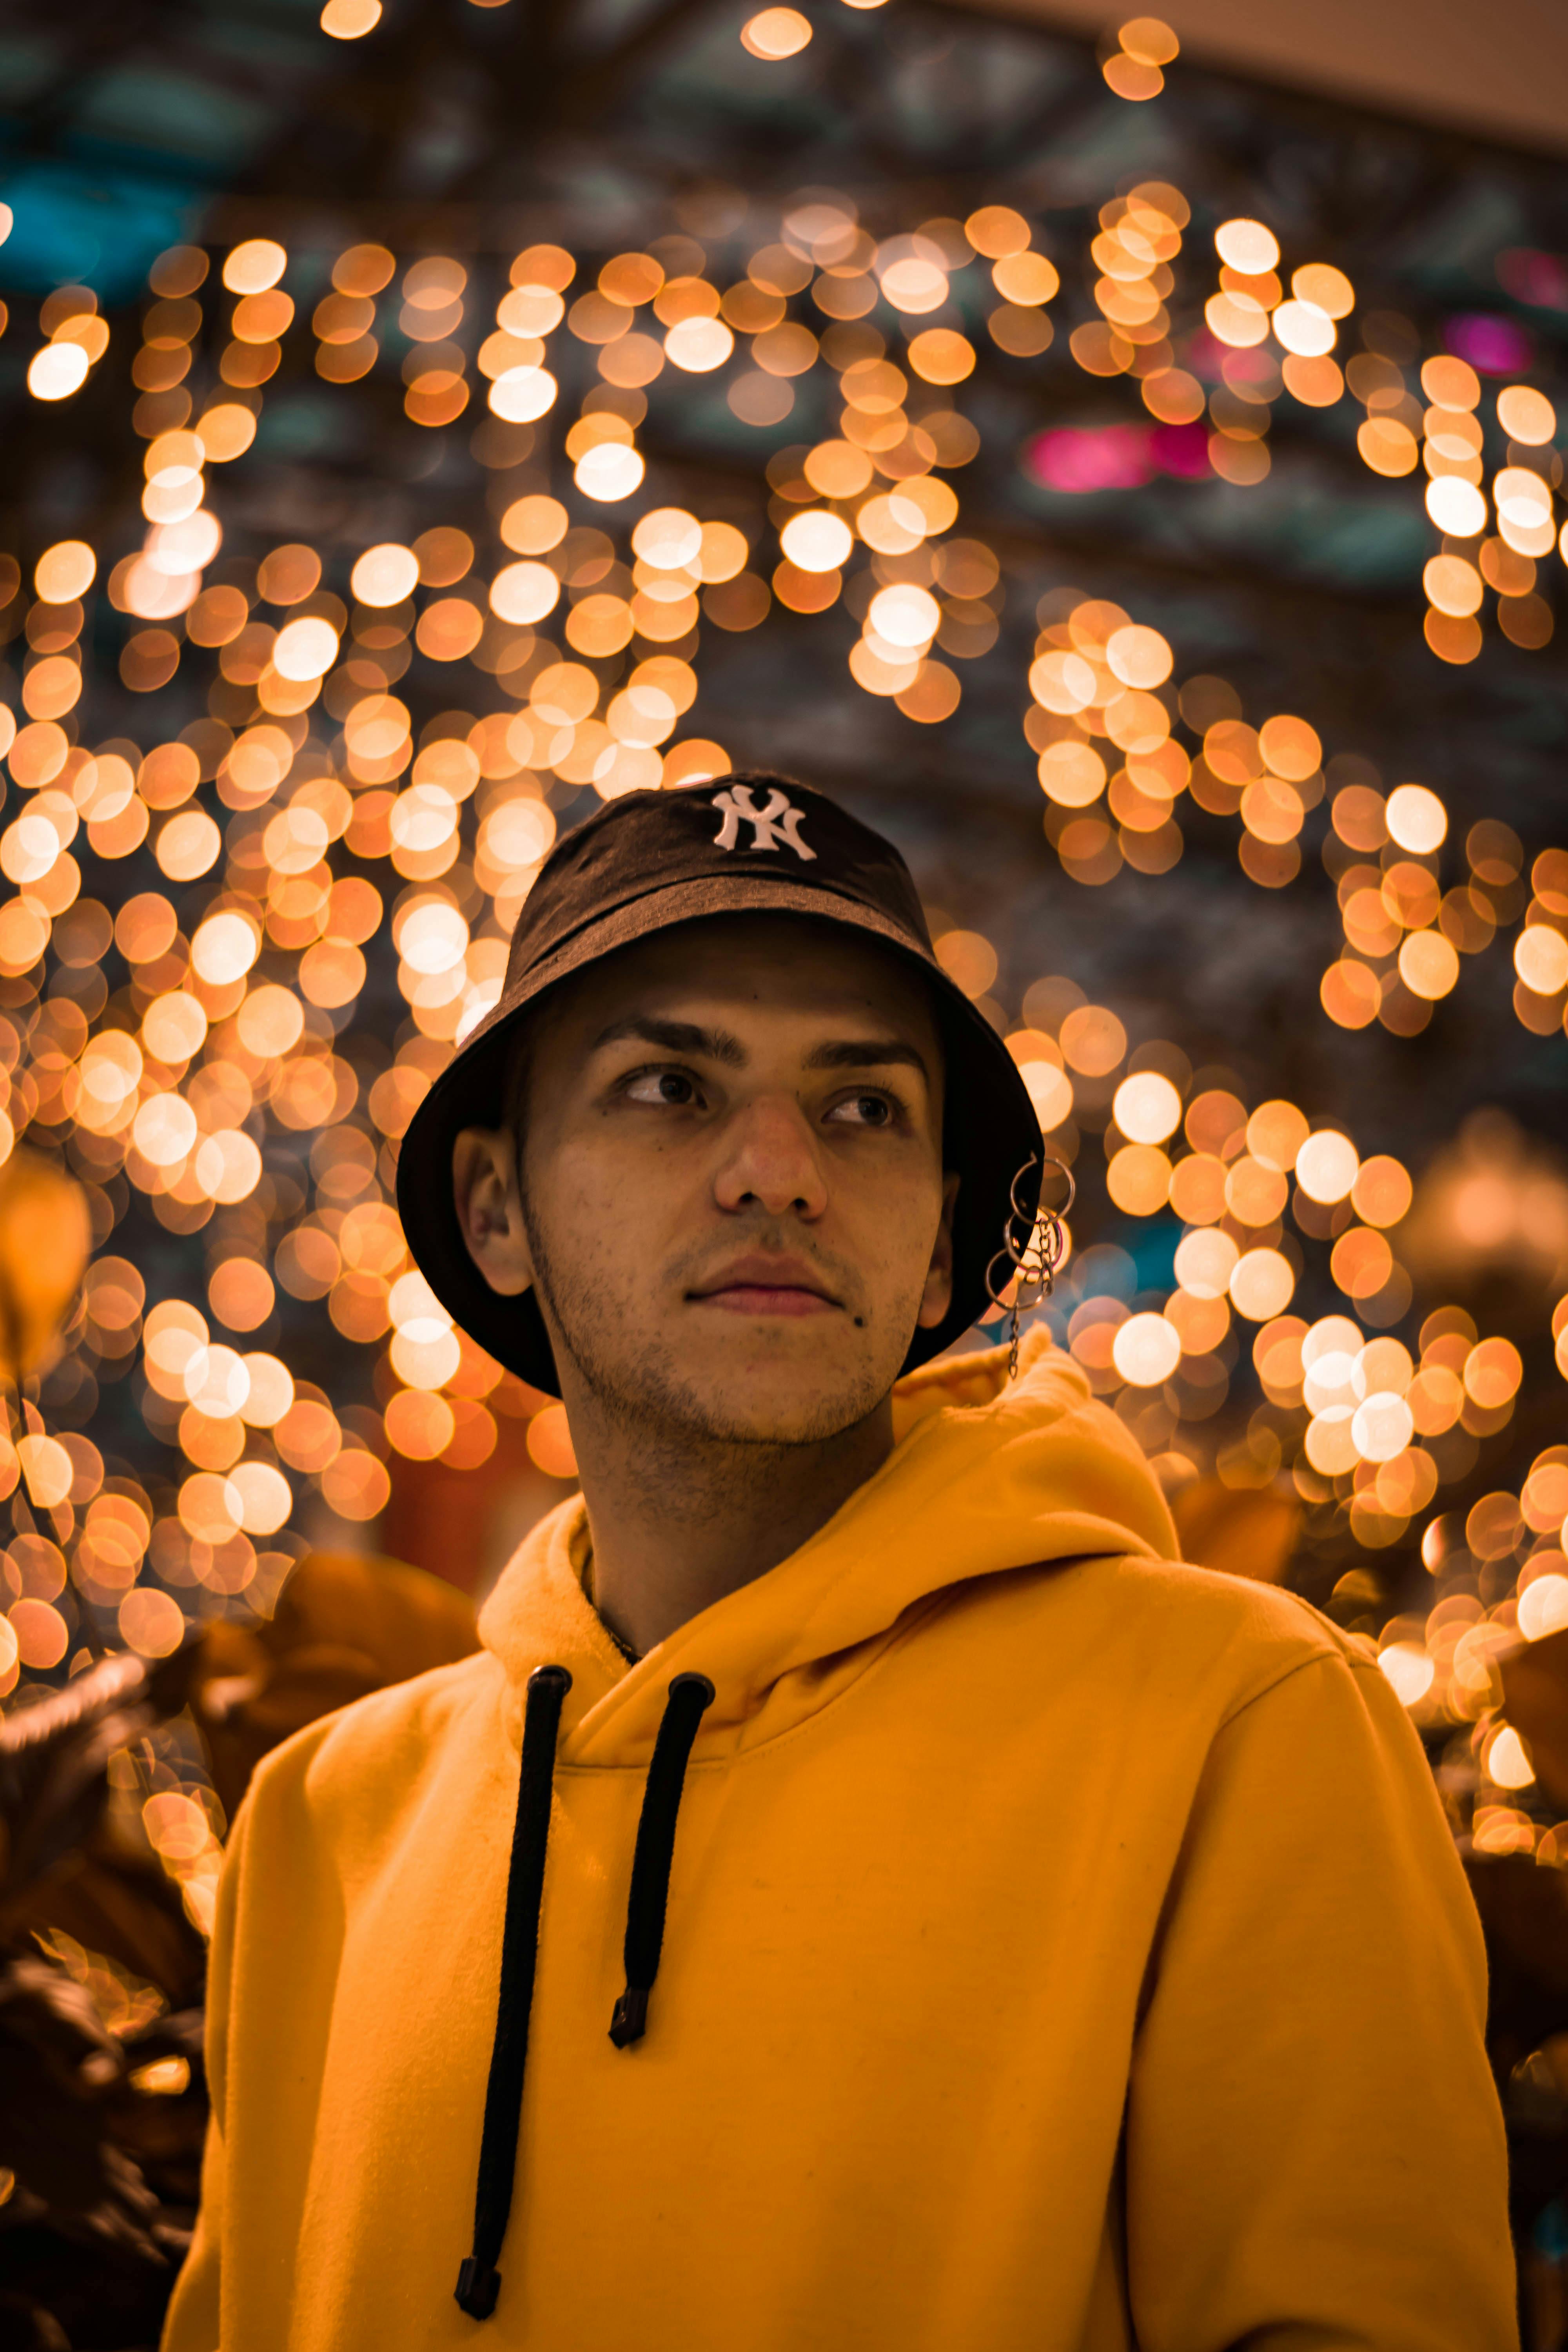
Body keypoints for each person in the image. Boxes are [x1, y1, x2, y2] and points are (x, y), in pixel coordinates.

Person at [162, 775, 1515, 2352]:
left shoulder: (1240, 1722)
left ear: (944, 1243)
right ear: (495, 1206)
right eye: (670, 1088)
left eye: (862, 1106)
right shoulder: (323, 1825)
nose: (778, 1171)